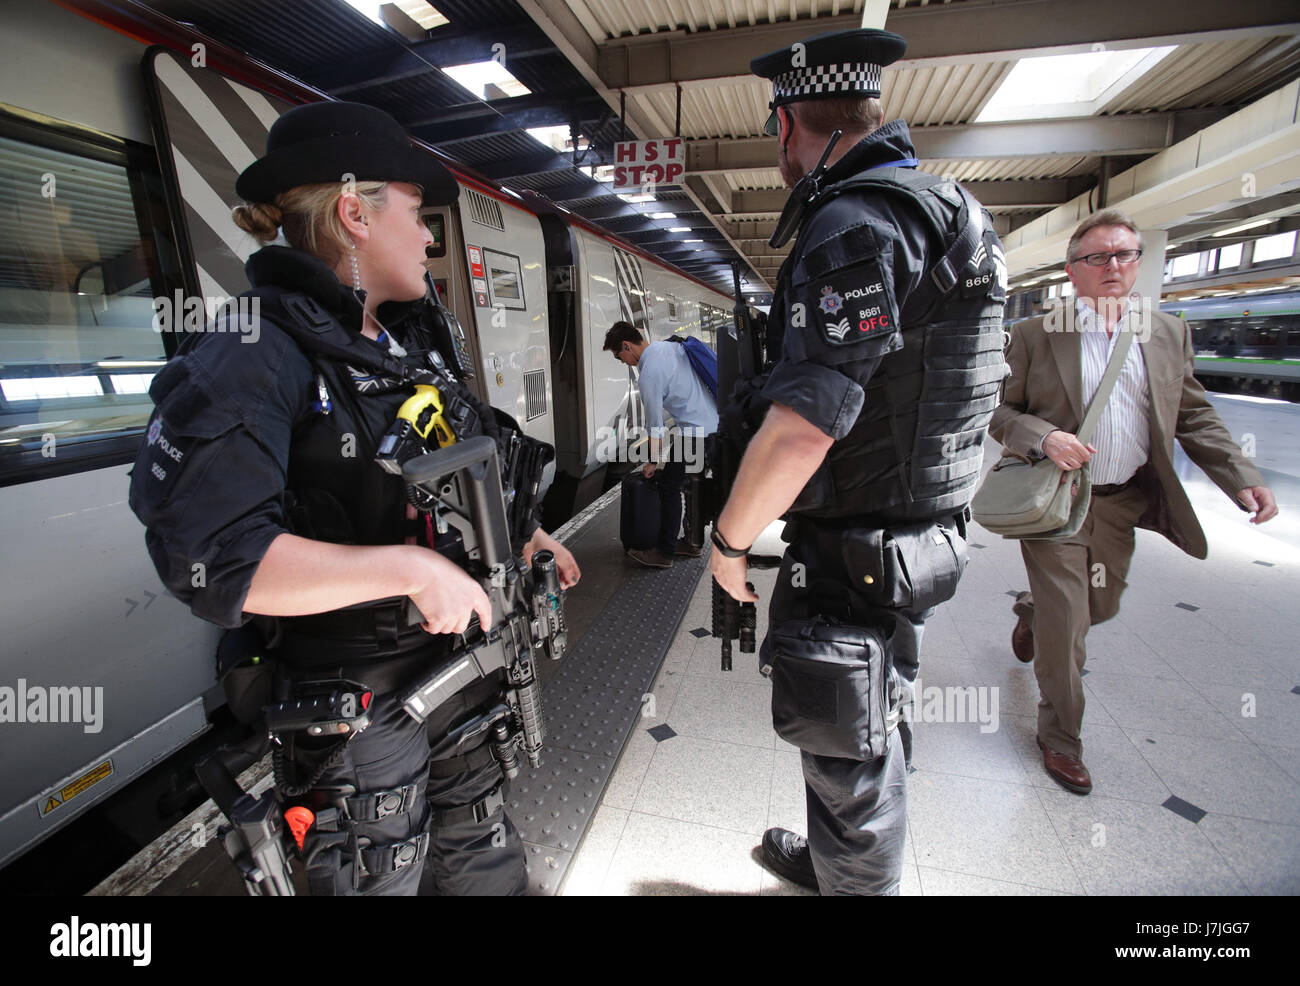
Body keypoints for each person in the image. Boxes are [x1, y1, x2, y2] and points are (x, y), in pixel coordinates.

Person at [128, 101, 579, 895]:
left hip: (459, 675)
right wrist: (410, 571)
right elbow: (214, 559)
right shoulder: (254, 350)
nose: (430, 236)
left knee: (486, 861)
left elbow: (454, 458)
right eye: (416, 211)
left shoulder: (404, 339)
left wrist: (526, 534)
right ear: (353, 214)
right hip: (356, 716)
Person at [709, 28, 1007, 894]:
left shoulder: (854, 224)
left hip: (858, 551)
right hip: (915, 537)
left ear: (789, 123)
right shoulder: (954, 209)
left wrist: (730, 544)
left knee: (850, 744)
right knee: (871, 718)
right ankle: (835, 859)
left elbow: (805, 426)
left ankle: (854, 878)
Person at [989, 208, 1276, 795]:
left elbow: (1193, 414)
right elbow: (998, 411)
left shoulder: (1167, 334)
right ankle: (1061, 738)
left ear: (1139, 262)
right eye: (1097, 257)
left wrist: (1240, 475)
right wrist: (1045, 437)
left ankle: (1031, 613)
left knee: (1099, 606)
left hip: (1121, 501)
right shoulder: (1036, 335)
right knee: (1068, 627)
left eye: (1124, 254)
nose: (1112, 266)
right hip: (1056, 501)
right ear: (1072, 269)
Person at [604, 321, 718, 568]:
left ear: (627, 346)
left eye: (619, 356)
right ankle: (693, 543)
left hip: (694, 433)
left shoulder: (649, 375)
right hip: (716, 427)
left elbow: (656, 426)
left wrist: (652, 462)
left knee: (669, 488)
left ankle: (664, 554)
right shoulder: (672, 347)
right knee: (693, 485)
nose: (623, 362)